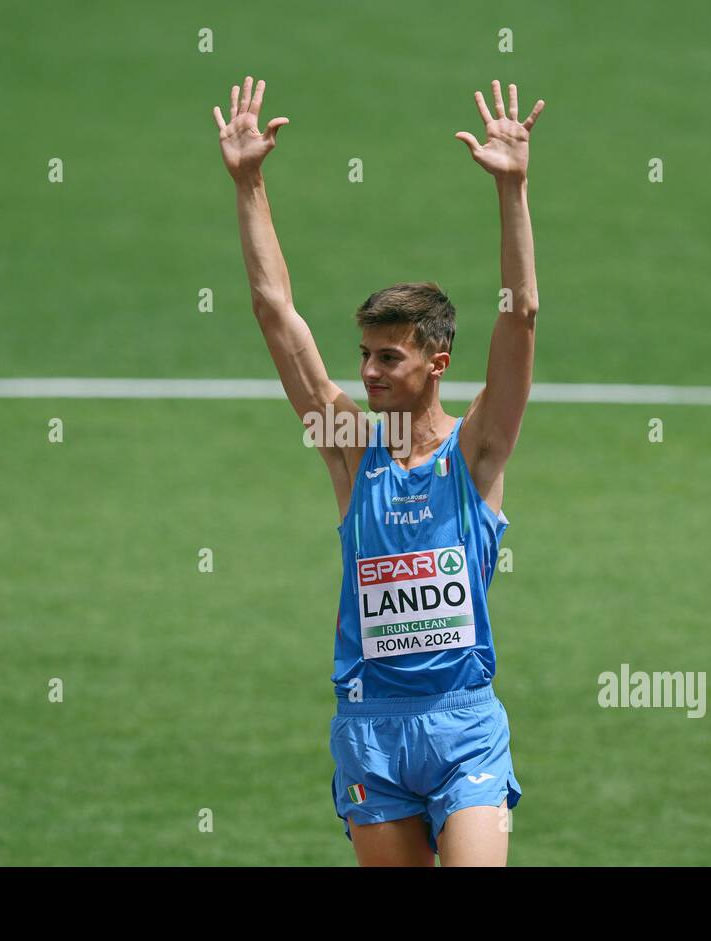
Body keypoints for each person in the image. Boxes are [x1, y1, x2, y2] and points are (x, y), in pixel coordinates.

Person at [214, 75, 543, 866]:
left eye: (388, 357)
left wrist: (513, 191)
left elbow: (520, 314)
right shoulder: (348, 448)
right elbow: (273, 311)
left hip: (463, 727)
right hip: (370, 731)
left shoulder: (479, 451)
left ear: (438, 363)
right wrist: (249, 183)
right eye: (364, 355)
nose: (367, 373)